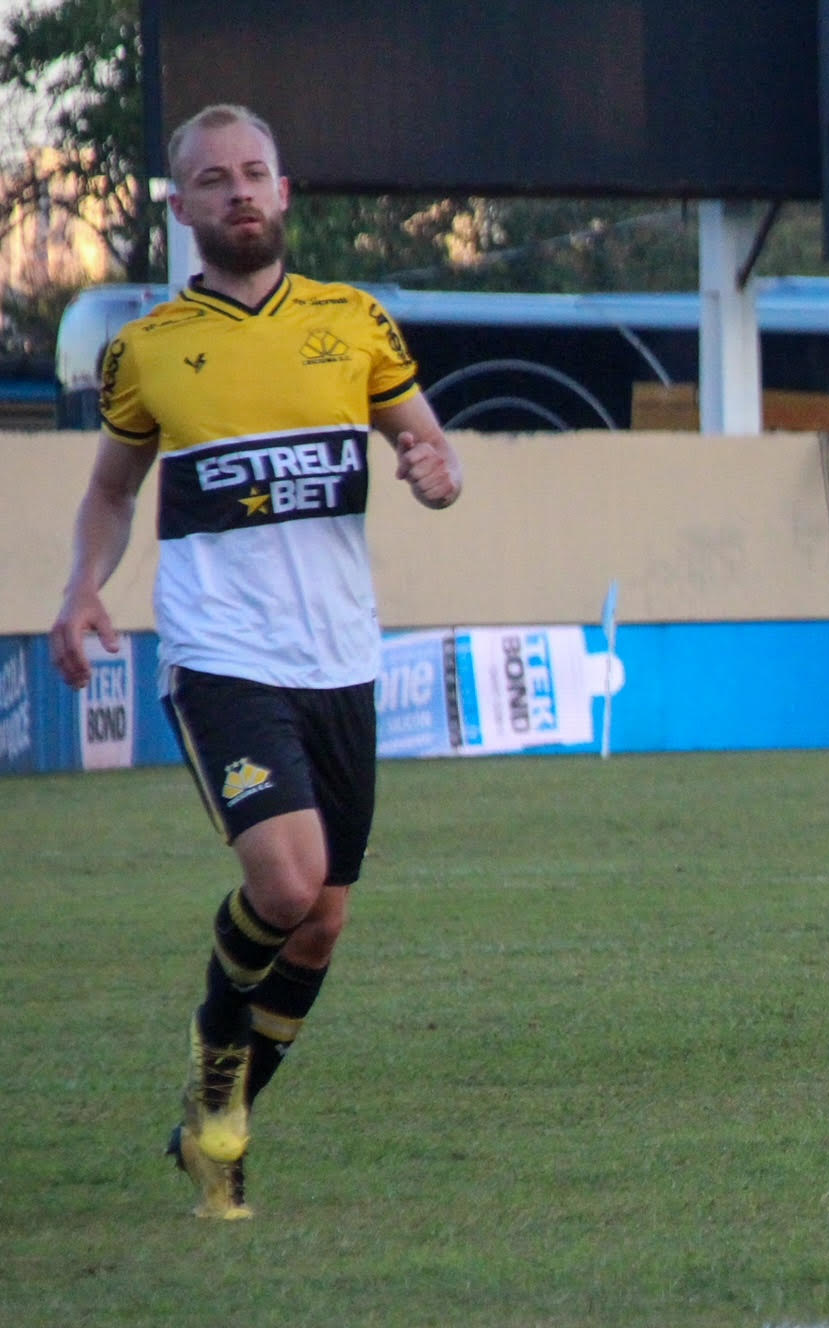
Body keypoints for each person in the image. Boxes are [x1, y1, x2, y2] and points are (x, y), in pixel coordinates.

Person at [47, 104, 461, 1220]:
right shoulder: (149, 350)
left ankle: (211, 1122)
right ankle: (216, 1065)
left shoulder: (356, 322)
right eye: (212, 179)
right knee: (282, 884)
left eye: (254, 174)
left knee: (321, 919)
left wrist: (434, 470)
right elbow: (111, 492)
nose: (237, 192)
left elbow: (427, 444)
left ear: (284, 192)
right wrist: (85, 584)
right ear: (181, 207)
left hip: (340, 657)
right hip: (223, 656)